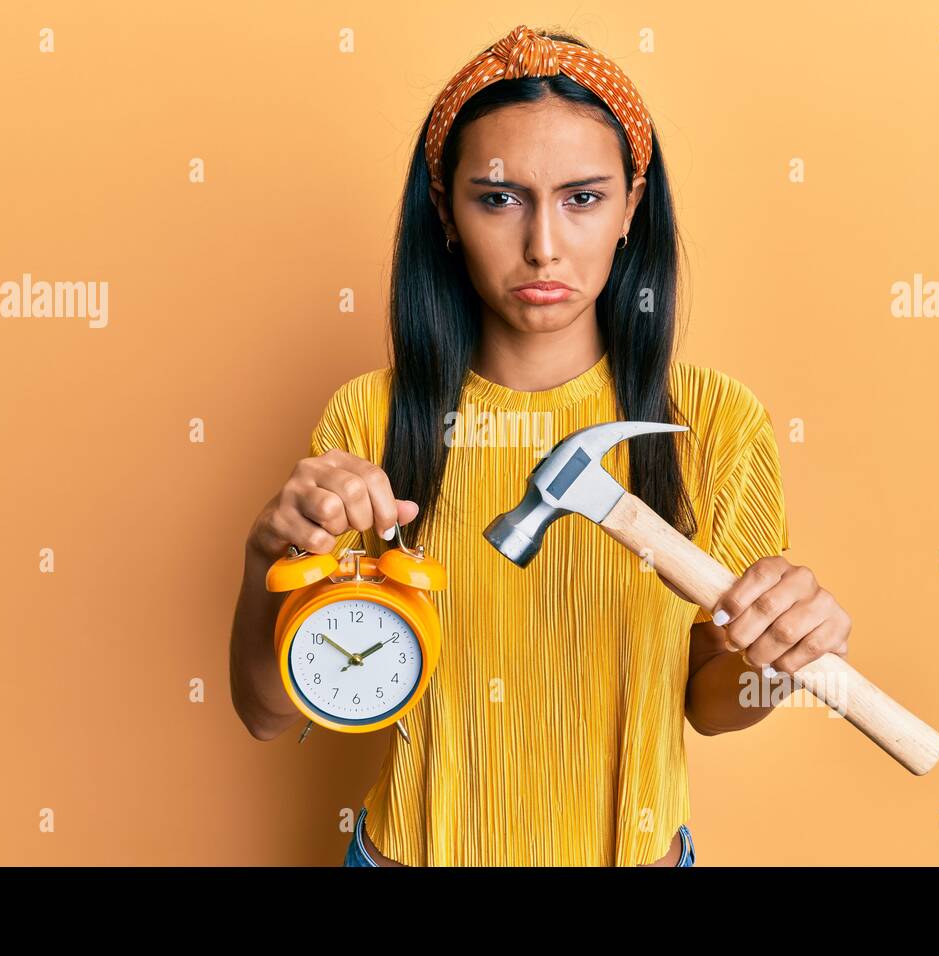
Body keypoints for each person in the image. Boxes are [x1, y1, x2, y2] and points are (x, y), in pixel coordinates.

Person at [230, 24, 852, 867]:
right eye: (499, 198)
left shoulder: (712, 422)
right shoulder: (369, 420)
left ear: (633, 206)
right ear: (446, 211)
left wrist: (776, 662)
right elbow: (269, 714)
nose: (544, 246)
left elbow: (712, 703)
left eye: (583, 198)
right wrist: (266, 552)